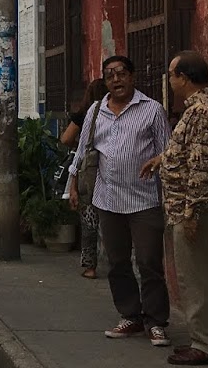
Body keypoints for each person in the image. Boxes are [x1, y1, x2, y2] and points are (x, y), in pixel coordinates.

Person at [68, 55, 172, 347]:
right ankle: (130, 316)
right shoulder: (96, 110)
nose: (116, 79)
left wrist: (163, 175)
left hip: (144, 200)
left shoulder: (152, 110)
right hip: (107, 198)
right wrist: (72, 184)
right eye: (110, 75)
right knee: (117, 262)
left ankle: (156, 321)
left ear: (133, 76)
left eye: (122, 73)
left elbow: (168, 151)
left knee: (149, 261)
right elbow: (82, 149)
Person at [144, 51, 208, 366]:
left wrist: (192, 212)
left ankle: (207, 344)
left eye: (171, 75)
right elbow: (190, 152)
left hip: (198, 207)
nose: (169, 82)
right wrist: (163, 160)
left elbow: (202, 165)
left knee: (197, 276)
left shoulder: (203, 112)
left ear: (183, 78)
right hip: (195, 205)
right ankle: (206, 340)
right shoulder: (201, 110)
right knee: (197, 274)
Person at [61, 77, 108, 278]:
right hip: (110, 173)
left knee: (89, 220)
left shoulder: (84, 114)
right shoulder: (111, 113)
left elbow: (65, 139)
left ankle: (90, 266)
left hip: (88, 172)